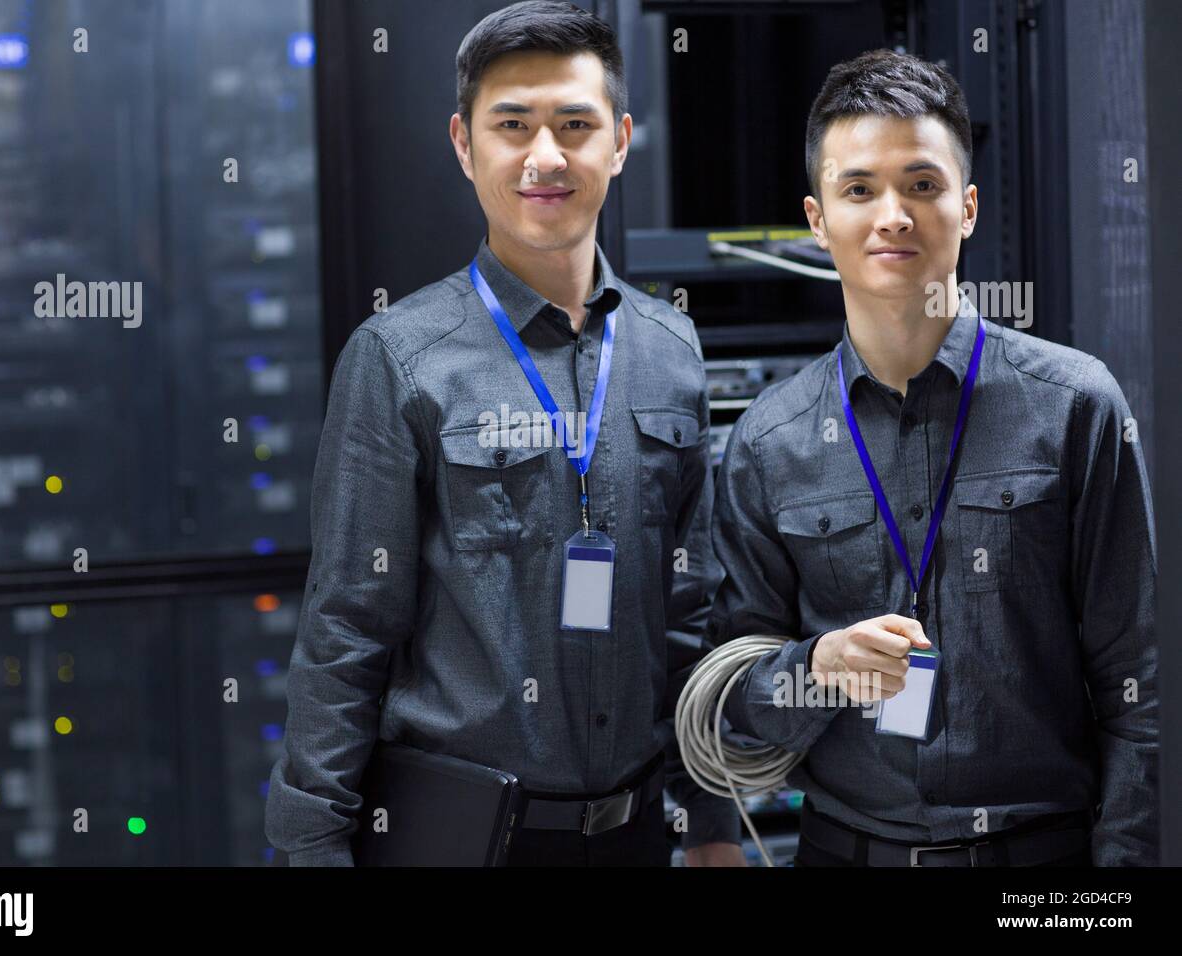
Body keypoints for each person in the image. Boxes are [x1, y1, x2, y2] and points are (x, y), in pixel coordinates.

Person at [265, 0, 743, 867]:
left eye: (574, 125)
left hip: (634, 838)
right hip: (460, 841)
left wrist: (710, 823)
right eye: (512, 126)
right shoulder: (400, 358)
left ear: (622, 141)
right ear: (464, 143)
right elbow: (347, 627)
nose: (545, 156)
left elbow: (687, 615)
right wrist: (312, 851)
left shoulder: (670, 349)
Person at [708, 49, 1157, 866]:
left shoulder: (1075, 405)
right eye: (859, 189)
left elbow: (1142, 683)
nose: (893, 215)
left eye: (923, 184)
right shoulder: (769, 442)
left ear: (970, 205)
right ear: (816, 220)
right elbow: (734, 704)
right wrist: (818, 668)